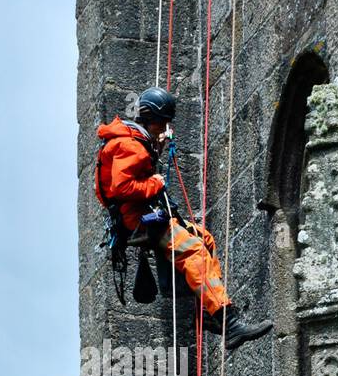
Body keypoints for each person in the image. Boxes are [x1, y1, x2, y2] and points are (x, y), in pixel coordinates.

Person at [95, 88, 273, 351]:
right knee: (195, 251)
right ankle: (229, 322)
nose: (164, 128)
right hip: (139, 220)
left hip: (142, 215)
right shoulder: (130, 145)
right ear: (151, 118)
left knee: (205, 239)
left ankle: (207, 313)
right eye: (162, 122)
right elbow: (122, 188)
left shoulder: (134, 142)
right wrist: (154, 184)